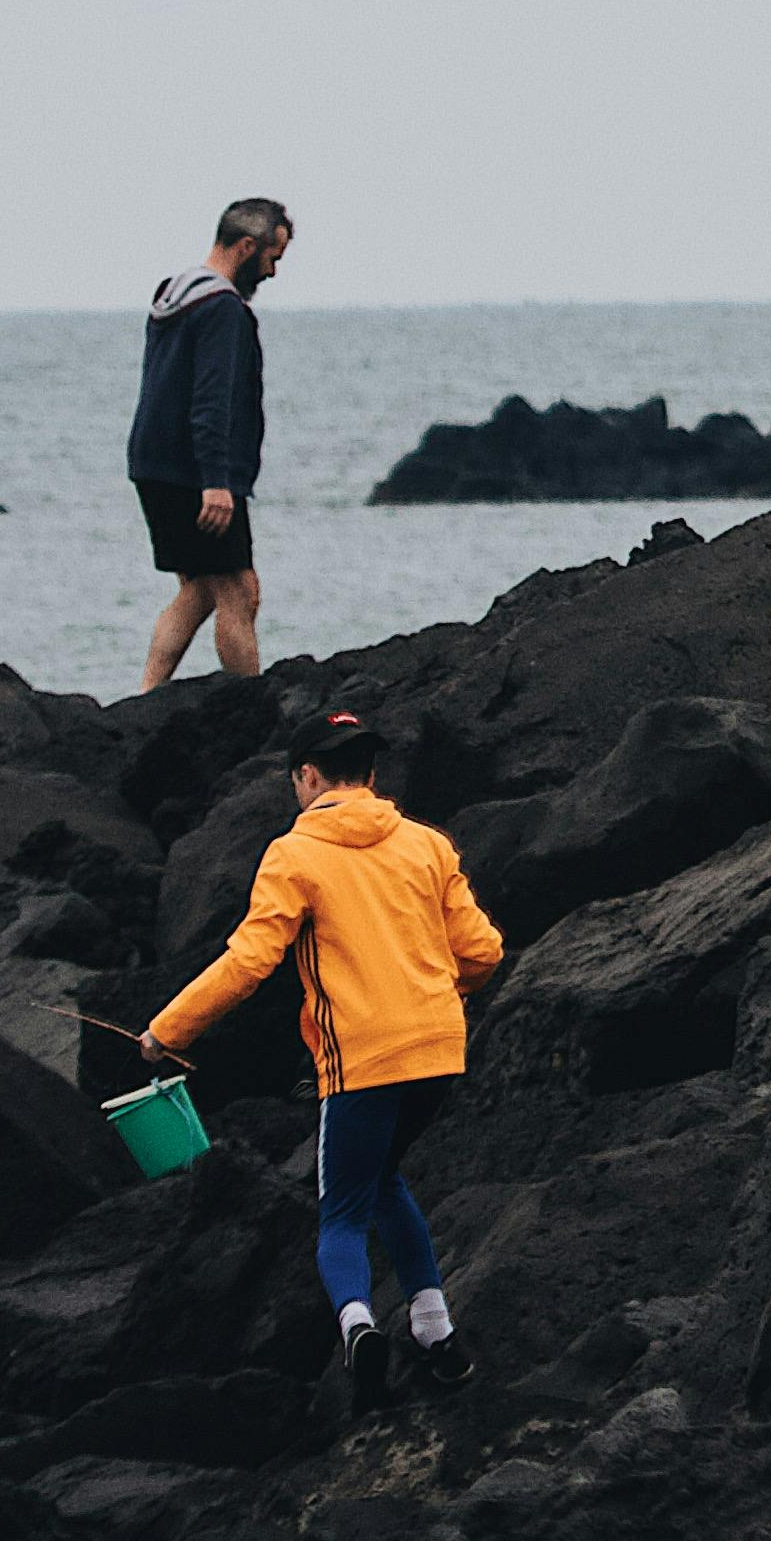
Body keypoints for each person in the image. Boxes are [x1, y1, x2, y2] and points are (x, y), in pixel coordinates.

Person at [144, 709, 503, 1410]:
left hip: (364, 1063)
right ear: (370, 775)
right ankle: (438, 1335)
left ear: (306, 777)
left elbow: (249, 963)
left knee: (339, 1209)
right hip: (439, 1052)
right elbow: (484, 951)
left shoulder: (294, 856)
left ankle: (358, 1326)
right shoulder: (427, 845)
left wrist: (169, 1031)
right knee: (382, 1177)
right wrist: (438, 994)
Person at [132, 197, 290, 687]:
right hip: (194, 474)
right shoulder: (222, 308)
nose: (273, 272)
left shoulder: (173, 292)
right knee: (240, 589)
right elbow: (211, 399)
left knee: (200, 587)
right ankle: (251, 705)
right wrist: (217, 482)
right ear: (246, 246)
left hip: (155, 463)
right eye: (272, 258)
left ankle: (145, 698)